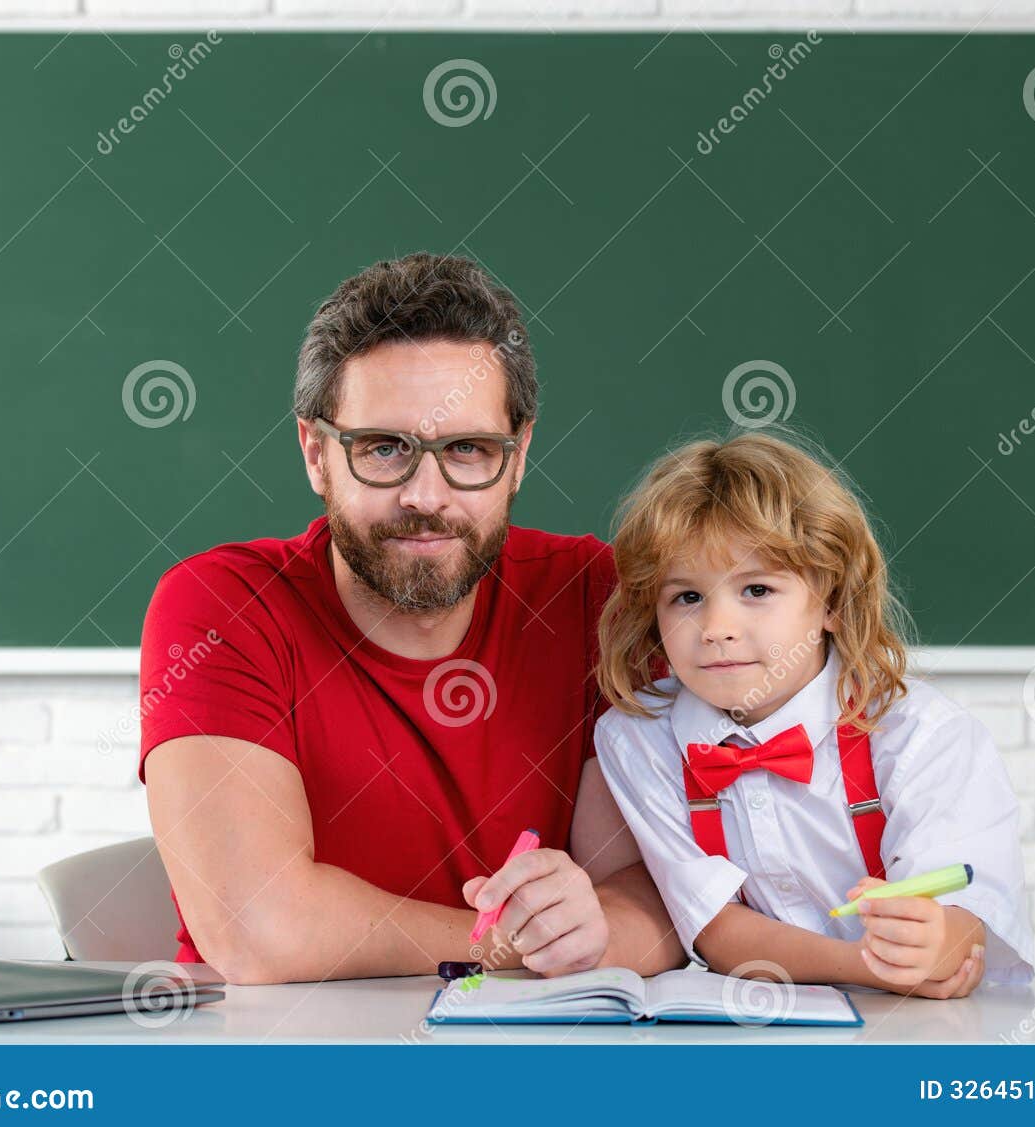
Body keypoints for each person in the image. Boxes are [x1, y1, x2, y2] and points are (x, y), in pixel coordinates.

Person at [138, 252, 682, 984]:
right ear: (315, 453)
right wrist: (526, 942)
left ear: (518, 455)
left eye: (467, 449)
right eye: (384, 449)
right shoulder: (221, 605)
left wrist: (602, 925)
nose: (427, 493)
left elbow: (665, 903)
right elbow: (261, 930)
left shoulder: (595, 595)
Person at [593, 432, 1034, 997]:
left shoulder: (922, 735)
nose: (717, 627)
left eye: (756, 589)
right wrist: (871, 968)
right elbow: (719, 932)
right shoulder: (638, 741)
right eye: (687, 597)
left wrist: (938, 941)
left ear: (831, 602)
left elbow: (969, 917)